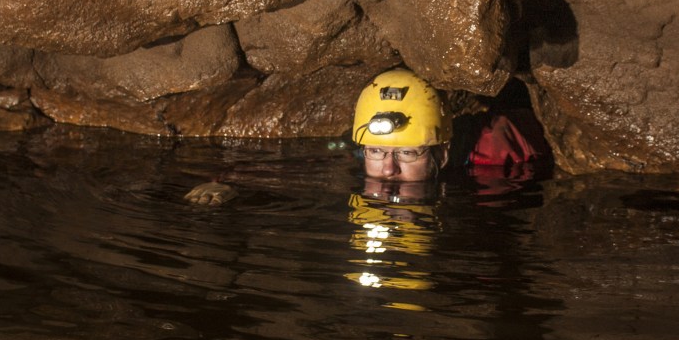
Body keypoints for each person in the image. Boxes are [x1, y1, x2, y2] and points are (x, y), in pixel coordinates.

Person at [185, 67, 550, 205]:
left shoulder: (498, 152)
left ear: (441, 154)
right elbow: (294, 166)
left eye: (408, 154)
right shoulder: (354, 150)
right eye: (377, 152)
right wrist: (225, 181)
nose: (388, 171)